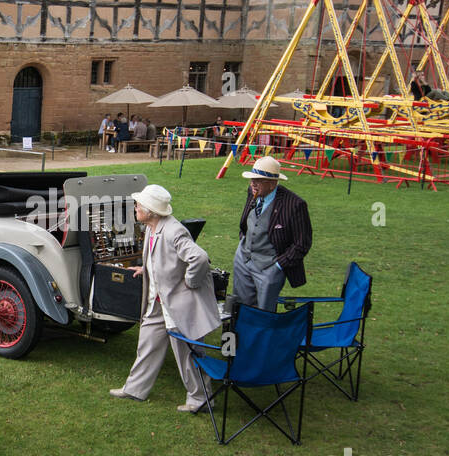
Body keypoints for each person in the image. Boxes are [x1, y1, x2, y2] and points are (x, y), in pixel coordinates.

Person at [110, 184, 221, 412]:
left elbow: (199, 259)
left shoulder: (174, 231)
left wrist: (190, 282)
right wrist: (147, 270)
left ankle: (201, 399)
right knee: (147, 344)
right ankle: (135, 389)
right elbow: (161, 259)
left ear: (150, 210)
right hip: (159, 302)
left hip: (178, 305)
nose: (136, 207)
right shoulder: (151, 227)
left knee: (188, 352)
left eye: (139, 204)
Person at [233, 156, 313, 312]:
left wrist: (277, 266)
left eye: (258, 180)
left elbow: (302, 243)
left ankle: (262, 336)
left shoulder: (295, 205)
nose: (253, 183)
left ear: (272, 183)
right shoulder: (253, 191)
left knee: (264, 312)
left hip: (269, 266)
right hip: (243, 259)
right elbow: (247, 221)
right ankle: (239, 335)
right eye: (252, 179)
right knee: (240, 306)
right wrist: (243, 241)